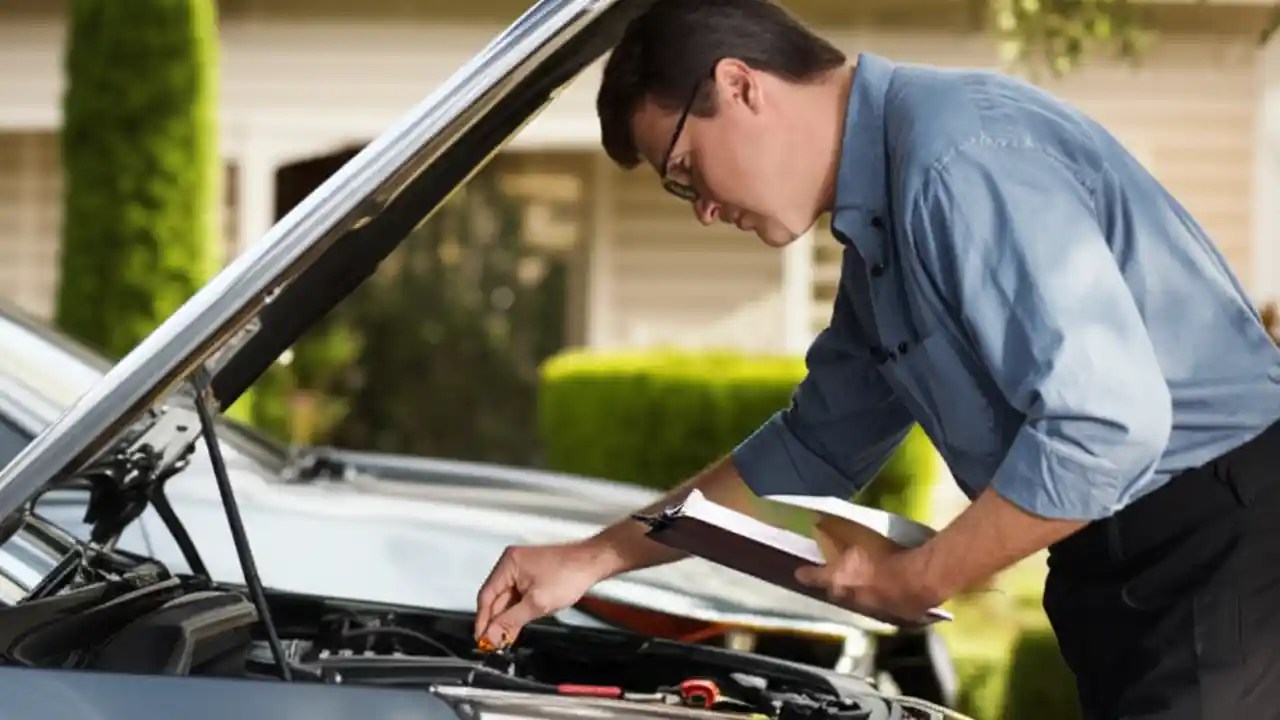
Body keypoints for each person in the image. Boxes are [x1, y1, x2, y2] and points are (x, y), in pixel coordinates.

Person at [474, 0, 1280, 716]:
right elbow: (814, 446)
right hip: (1135, 569)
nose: (705, 212)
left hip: (1224, 550)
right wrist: (591, 558)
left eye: (686, 174)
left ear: (742, 85)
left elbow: (1108, 428)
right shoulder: (881, 223)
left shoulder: (954, 162)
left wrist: (924, 575)